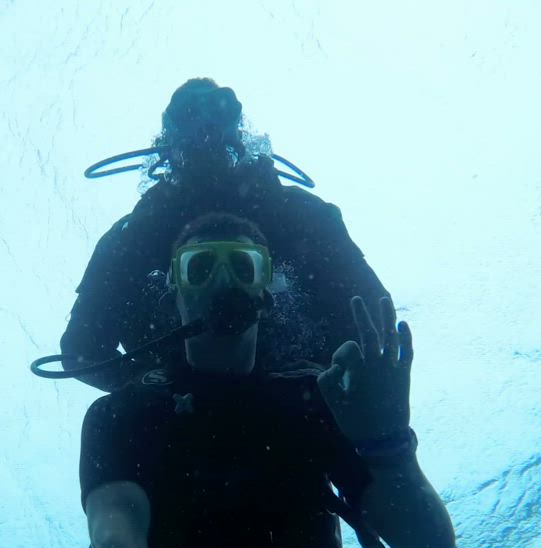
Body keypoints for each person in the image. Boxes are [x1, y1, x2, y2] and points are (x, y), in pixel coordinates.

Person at [79, 213, 459, 548]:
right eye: (199, 268)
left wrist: (387, 442)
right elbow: (115, 536)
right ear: (173, 286)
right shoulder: (124, 413)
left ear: (267, 284)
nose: (222, 282)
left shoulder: (318, 402)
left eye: (241, 266)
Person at [61, 78, 392, 393]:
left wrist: (319, 388)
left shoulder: (305, 218)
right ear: (168, 134)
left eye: (220, 109)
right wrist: (162, 393)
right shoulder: (129, 240)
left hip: (299, 417)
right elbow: (80, 351)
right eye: (188, 112)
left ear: (238, 124)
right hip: (182, 422)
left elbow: (374, 318)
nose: (205, 124)